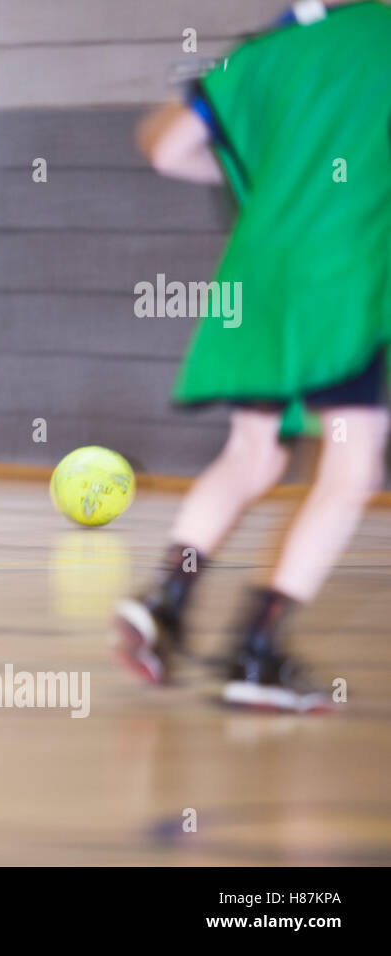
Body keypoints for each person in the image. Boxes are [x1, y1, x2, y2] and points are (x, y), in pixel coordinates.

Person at [115, 0, 391, 712]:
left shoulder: (266, 51)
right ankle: (257, 650)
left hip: (257, 270)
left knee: (254, 453)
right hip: (344, 272)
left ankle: (166, 601)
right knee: (351, 462)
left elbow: (166, 149)